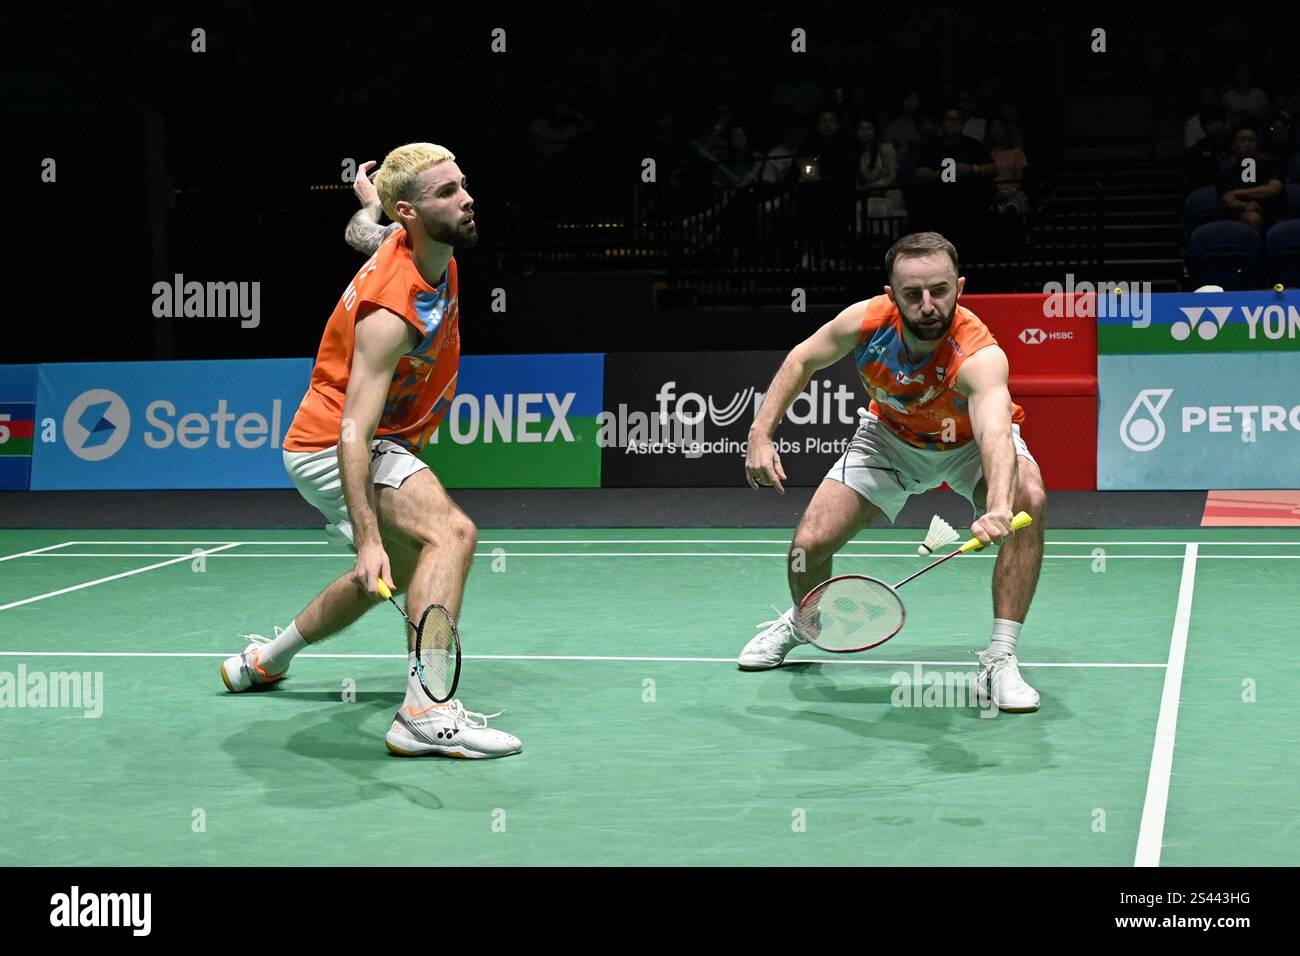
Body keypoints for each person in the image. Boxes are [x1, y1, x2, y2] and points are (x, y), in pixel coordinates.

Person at [220, 143, 523, 760]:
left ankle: (264, 661)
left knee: (390, 581)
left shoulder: (415, 240)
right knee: (451, 535)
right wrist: (366, 536)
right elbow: (353, 430)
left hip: (359, 440)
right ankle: (425, 714)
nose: (466, 199)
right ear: (412, 215)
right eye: (447, 193)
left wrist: (372, 203)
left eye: (463, 184)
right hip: (339, 441)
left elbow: (365, 231)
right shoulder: (391, 308)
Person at [737, 231, 1047, 713]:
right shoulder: (865, 323)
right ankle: (804, 622)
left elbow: (994, 432)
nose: (928, 304)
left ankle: (999, 658)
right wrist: (760, 433)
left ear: (959, 287)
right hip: (890, 440)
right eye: (913, 293)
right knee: (808, 546)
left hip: (967, 445)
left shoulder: (979, 354)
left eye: (940, 290)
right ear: (891, 295)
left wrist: (1000, 507)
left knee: (1030, 496)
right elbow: (802, 359)